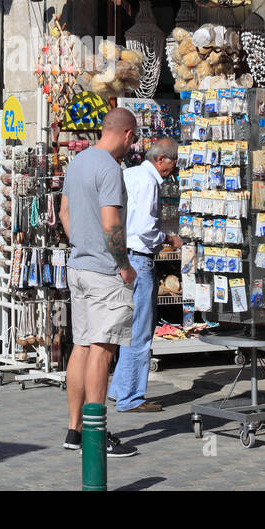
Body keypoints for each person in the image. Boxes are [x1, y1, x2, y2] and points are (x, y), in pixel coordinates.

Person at [59, 106, 139, 458]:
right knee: (102, 350)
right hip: (104, 272)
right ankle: (96, 434)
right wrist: (123, 264)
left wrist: (82, 242)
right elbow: (111, 223)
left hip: (77, 266)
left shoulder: (77, 162)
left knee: (82, 345)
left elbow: (63, 212)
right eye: (132, 139)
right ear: (126, 134)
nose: (132, 145)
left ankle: (74, 431)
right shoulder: (110, 168)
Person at [109, 137, 181, 412]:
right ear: (160, 159)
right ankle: (130, 397)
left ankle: (120, 390)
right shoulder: (149, 181)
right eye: (172, 163)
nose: (173, 170)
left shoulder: (130, 173)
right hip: (139, 259)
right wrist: (169, 238)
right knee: (139, 330)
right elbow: (145, 229)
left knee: (128, 328)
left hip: (124, 256)